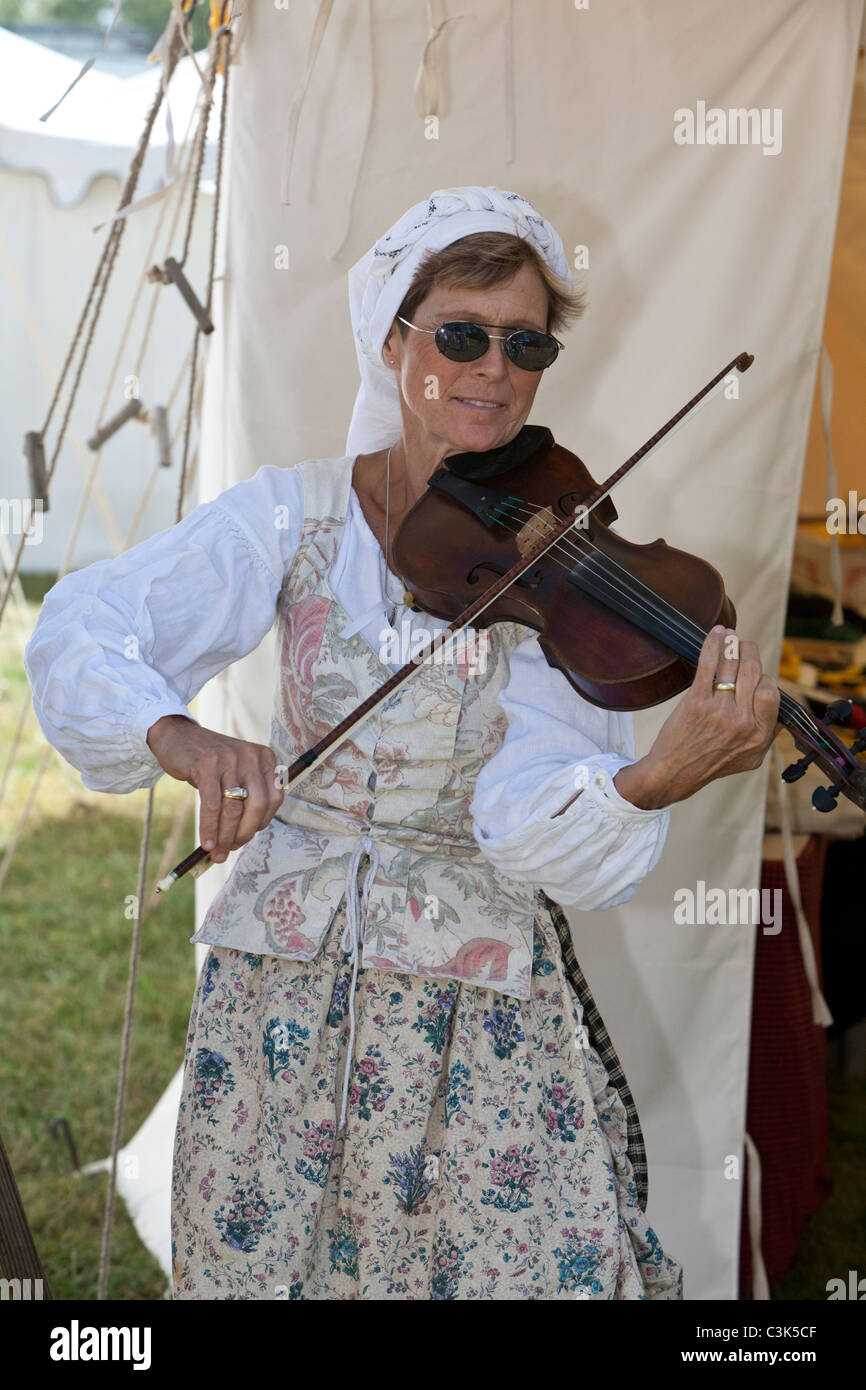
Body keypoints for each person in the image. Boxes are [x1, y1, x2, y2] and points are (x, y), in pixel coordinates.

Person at [24, 186, 778, 1301]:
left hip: (474, 999)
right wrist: (176, 733)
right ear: (392, 342)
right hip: (284, 985)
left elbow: (521, 817)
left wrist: (649, 779)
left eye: (525, 344)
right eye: (460, 335)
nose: (493, 370)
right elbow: (86, 627)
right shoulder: (295, 515)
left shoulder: (557, 562)